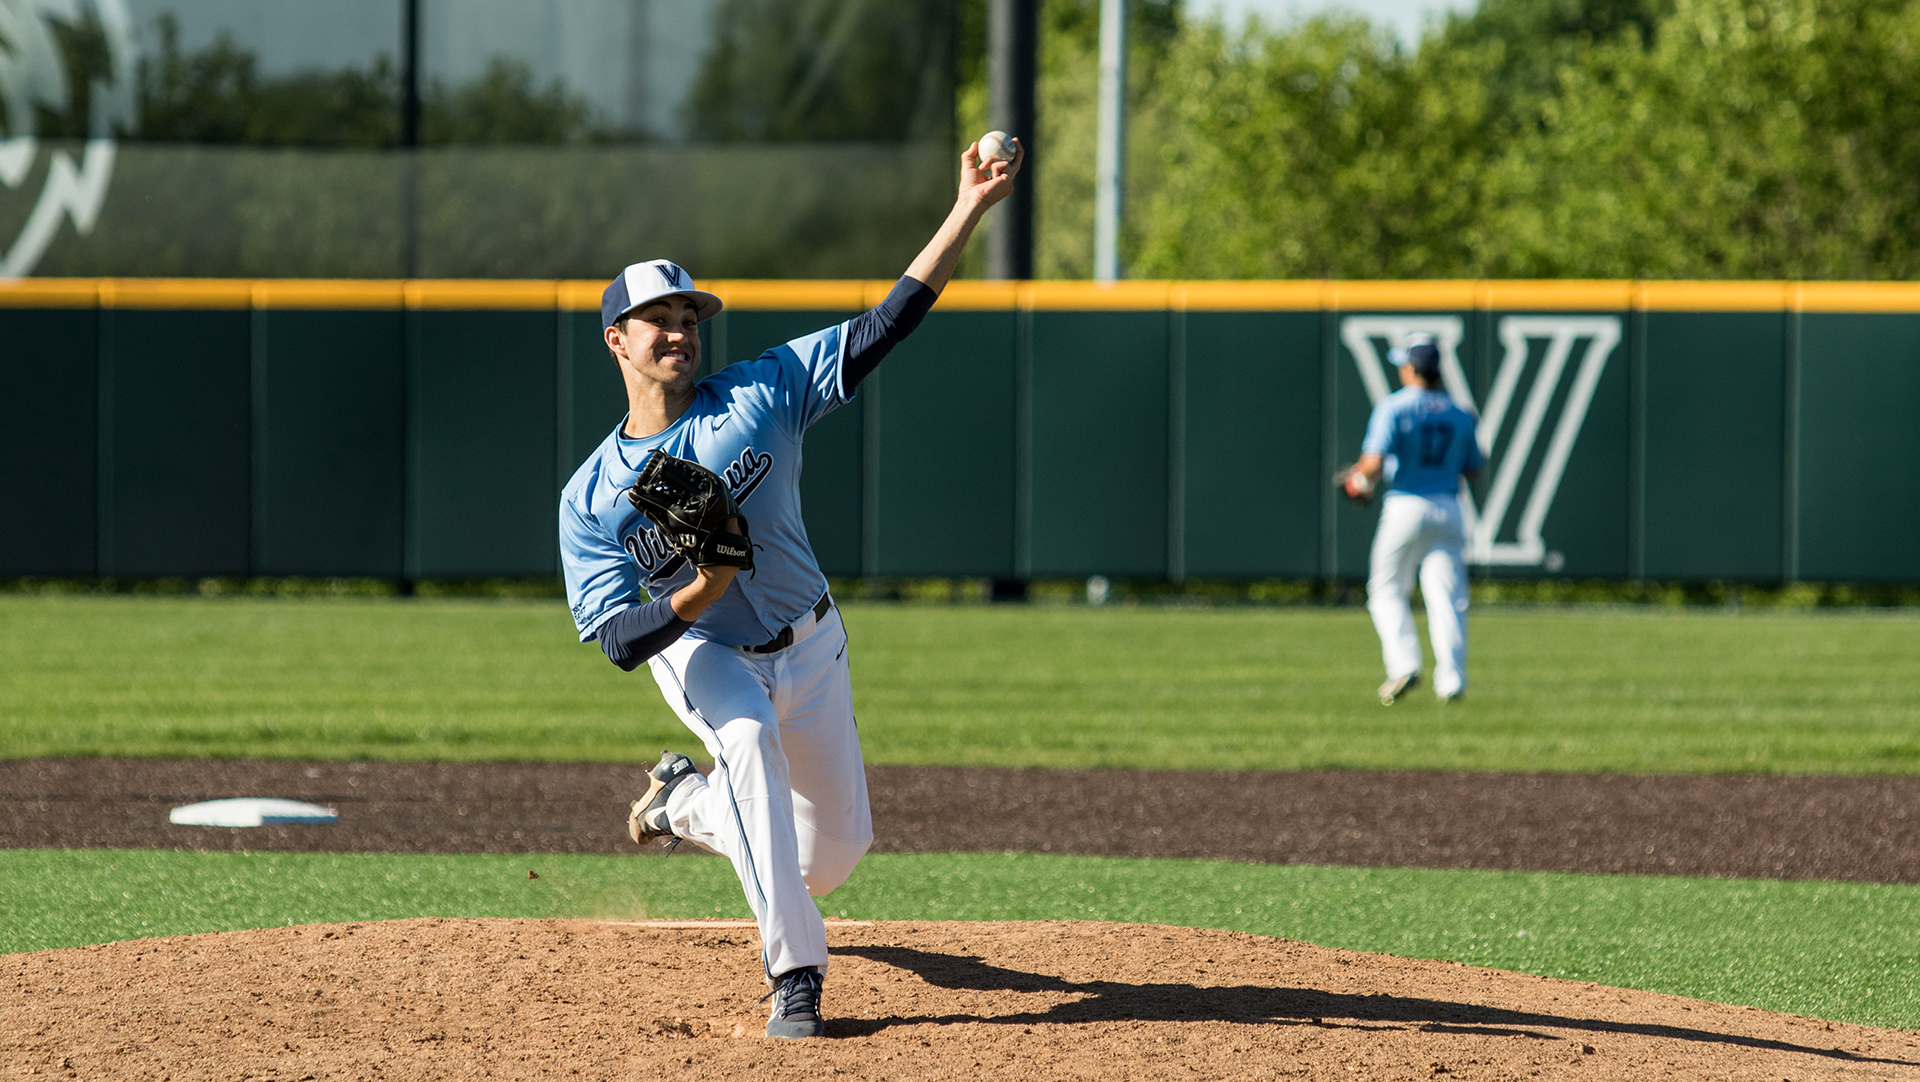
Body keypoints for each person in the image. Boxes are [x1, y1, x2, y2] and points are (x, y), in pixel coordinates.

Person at [558, 138, 1023, 1039]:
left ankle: (681, 803)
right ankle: (796, 980)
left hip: (812, 641)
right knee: (746, 738)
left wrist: (967, 207)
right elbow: (620, 641)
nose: (680, 330)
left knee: (829, 861)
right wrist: (704, 589)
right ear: (618, 340)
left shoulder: (761, 392)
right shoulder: (590, 496)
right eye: (658, 317)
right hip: (702, 650)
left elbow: (889, 320)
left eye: (690, 315)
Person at [1342, 334, 1485, 706]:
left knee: (1386, 589)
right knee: (1449, 598)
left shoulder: (1395, 406)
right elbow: (1475, 469)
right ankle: (1452, 681)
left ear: (1412, 368)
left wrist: (1357, 482)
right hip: (1450, 507)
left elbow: (1372, 465)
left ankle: (1404, 663)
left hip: (1407, 504)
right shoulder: (1460, 411)